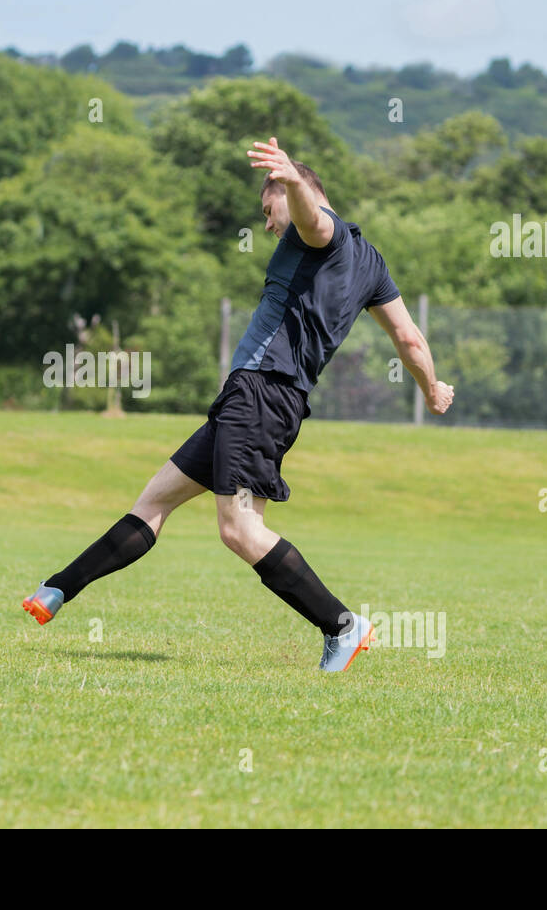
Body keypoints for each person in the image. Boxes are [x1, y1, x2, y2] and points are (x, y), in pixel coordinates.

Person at [23, 136, 455, 672]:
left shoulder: (320, 233)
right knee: (154, 502)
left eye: (267, 209)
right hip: (257, 400)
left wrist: (292, 183)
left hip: (261, 394)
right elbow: (410, 340)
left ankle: (342, 626)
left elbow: (314, 222)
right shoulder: (373, 264)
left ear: (291, 191)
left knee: (239, 530)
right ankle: (56, 589)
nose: (269, 224)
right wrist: (431, 388)